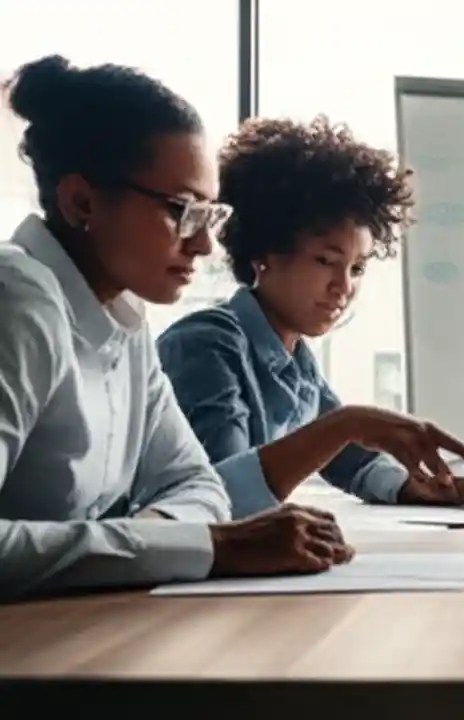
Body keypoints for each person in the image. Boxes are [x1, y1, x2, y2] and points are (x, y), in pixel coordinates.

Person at [0, 56, 358, 601]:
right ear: (81, 202)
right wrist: (205, 548)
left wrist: (162, 543)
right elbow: (199, 524)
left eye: (209, 216)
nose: (205, 245)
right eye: (182, 210)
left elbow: (197, 485)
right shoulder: (18, 304)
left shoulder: (124, 320)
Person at [156, 116, 464, 519]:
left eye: (357, 268)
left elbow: (361, 467)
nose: (344, 286)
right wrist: (345, 424)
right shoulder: (205, 345)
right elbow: (217, 501)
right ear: (263, 251)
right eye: (325, 261)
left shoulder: (295, 358)